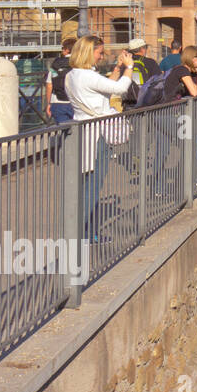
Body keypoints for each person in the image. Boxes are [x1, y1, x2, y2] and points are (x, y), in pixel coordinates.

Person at [66, 35, 134, 241]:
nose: (101, 56)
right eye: (99, 52)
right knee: (92, 188)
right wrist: (129, 68)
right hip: (97, 136)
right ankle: (79, 234)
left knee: (86, 185)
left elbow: (102, 87)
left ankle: (86, 232)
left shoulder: (72, 75)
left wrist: (117, 70)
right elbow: (121, 89)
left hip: (82, 132)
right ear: (88, 52)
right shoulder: (86, 76)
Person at [45, 36, 77, 124]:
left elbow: (49, 84)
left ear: (67, 50)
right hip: (76, 102)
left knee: (63, 130)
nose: (62, 50)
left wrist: (48, 103)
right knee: (78, 132)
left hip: (58, 102)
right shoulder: (79, 63)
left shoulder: (55, 64)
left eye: (63, 48)